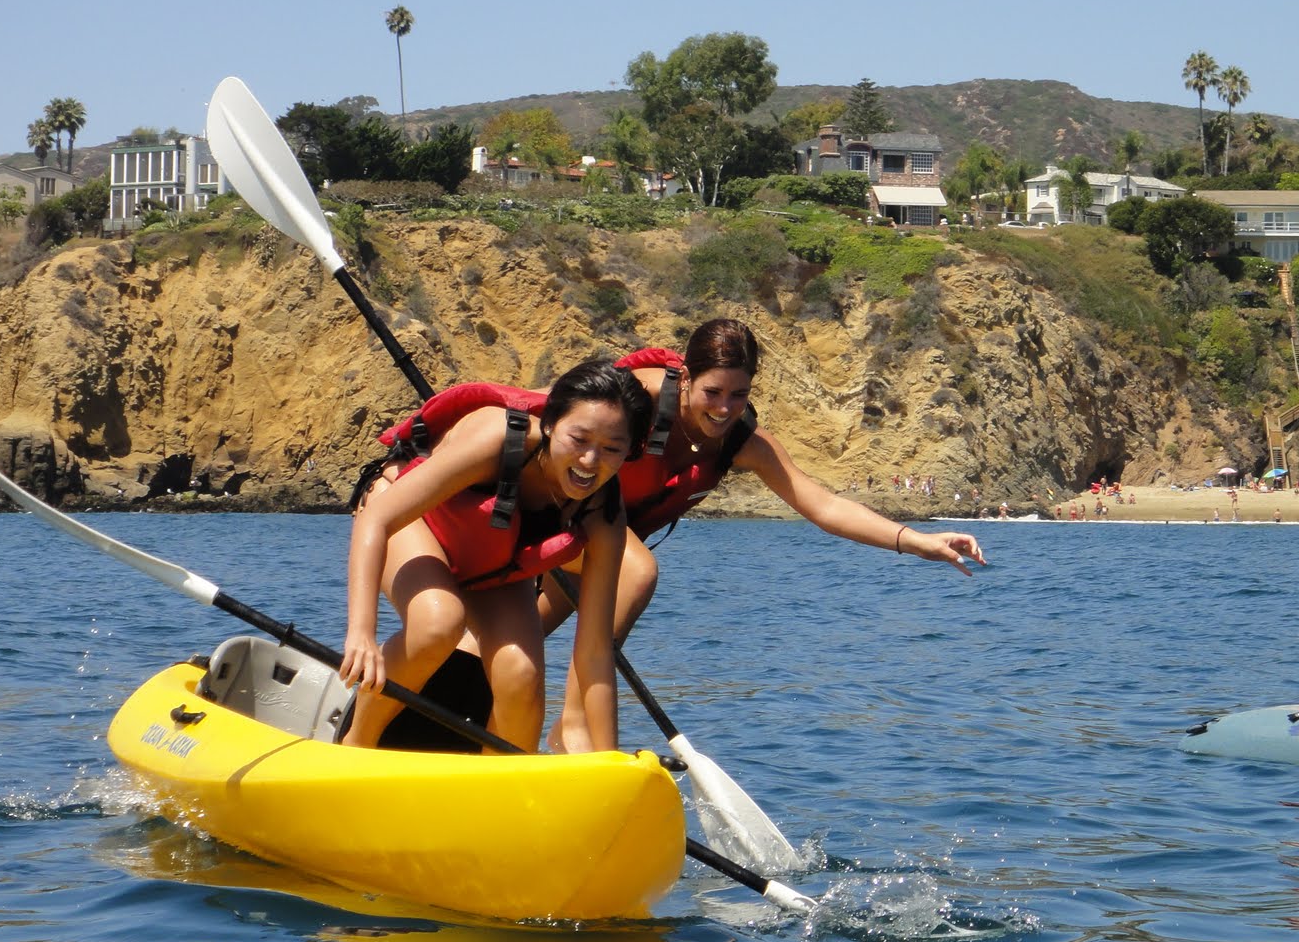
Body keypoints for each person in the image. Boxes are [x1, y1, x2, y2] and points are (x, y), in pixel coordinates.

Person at [537, 318, 986, 752]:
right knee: (636, 573)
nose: (724, 408)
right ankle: (572, 732)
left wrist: (917, 540)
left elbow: (823, 505)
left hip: (595, 545)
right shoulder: (643, 394)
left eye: (739, 394)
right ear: (687, 377)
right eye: (713, 392)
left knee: (521, 634)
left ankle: (483, 730)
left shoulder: (743, 442)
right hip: (559, 511)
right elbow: (548, 408)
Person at [339, 359, 654, 752]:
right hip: (409, 522)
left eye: (612, 449)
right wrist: (361, 633)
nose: (591, 462)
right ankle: (356, 744)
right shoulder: (498, 438)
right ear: (552, 423)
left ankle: (500, 786)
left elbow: (594, 653)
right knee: (438, 621)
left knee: (520, 675)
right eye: (579, 439)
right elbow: (377, 521)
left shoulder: (604, 515)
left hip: (487, 560)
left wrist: (610, 761)